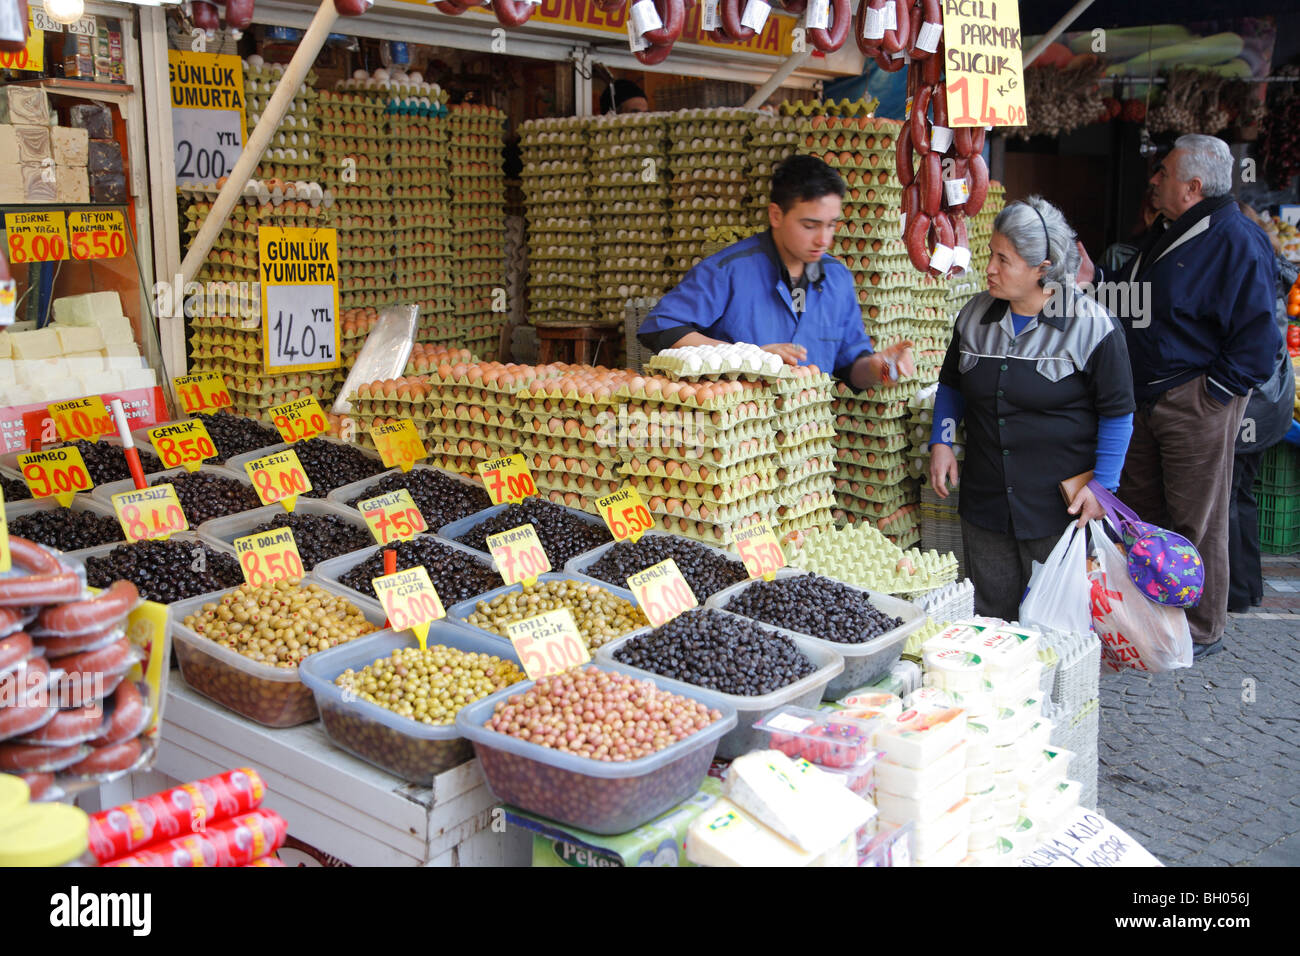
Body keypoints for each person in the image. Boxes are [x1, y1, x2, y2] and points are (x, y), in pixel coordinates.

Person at [1079, 134, 1282, 657]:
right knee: (1143, 511)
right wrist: (1096, 277)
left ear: (1192, 186)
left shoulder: (1237, 238)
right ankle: (1149, 611)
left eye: (1163, 172)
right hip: (1148, 398)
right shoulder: (1171, 231)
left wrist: (1214, 394)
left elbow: (1261, 340)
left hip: (1194, 400)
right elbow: (1135, 293)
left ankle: (1201, 627)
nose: (1154, 179)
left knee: (1198, 517)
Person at [929, 197, 1136, 622]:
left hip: (1058, 511)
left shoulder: (1091, 326)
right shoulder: (974, 318)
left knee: (1057, 625)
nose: (989, 267)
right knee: (989, 620)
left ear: (1043, 267)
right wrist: (942, 440)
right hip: (985, 502)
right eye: (990, 254)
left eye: (1003, 259)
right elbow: (951, 385)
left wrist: (1104, 487)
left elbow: (1118, 414)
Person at [637, 154, 914, 388]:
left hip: (806, 438)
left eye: (831, 225)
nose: (823, 239)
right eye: (810, 225)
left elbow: (851, 366)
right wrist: (745, 356)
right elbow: (661, 328)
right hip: (740, 440)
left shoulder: (837, 279)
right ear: (776, 215)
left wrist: (879, 367)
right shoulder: (729, 270)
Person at [1228, 209, 1299, 612]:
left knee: (1231, 497)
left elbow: (1252, 352)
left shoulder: (1256, 283)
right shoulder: (1273, 275)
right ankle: (1248, 586)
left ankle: (1236, 592)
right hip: (1268, 404)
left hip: (1253, 406)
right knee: (1242, 495)